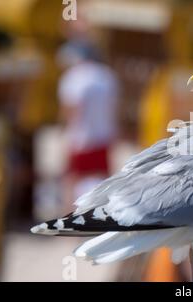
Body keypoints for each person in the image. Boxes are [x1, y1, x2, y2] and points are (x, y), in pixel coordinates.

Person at [57, 41, 119, 211]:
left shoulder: (74, 77)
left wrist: (64, 133)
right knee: (104, 180)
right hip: (103, 135)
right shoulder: (107, 76)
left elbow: (71, 109)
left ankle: (68, 220)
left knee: (71, 179)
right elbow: (113, 107)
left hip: (80, 137)